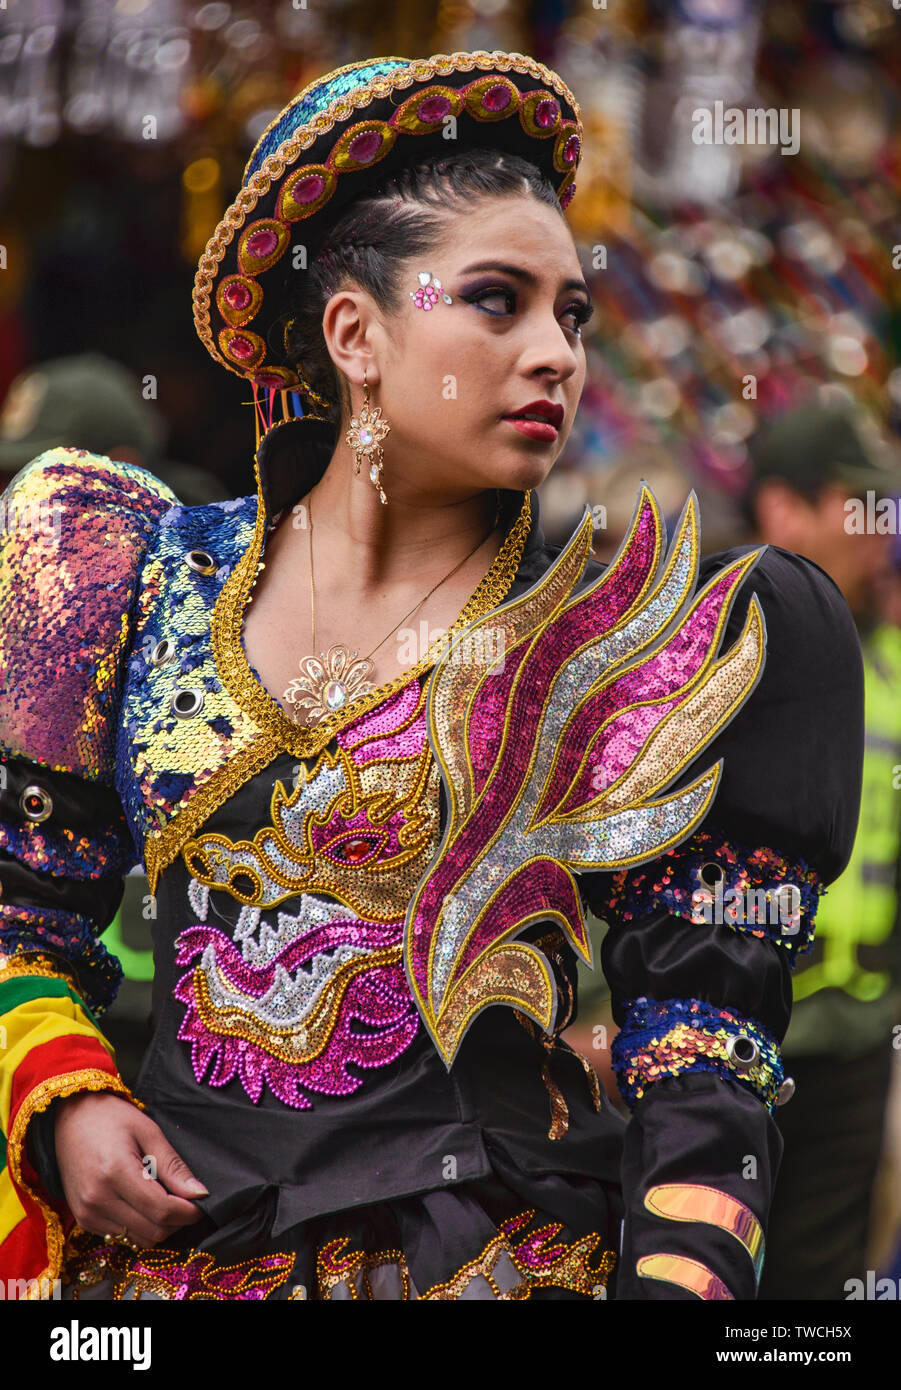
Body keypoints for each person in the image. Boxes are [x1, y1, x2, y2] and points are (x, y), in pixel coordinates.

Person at [0, 51, 863, 1302]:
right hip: (161, 1269)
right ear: (353, 332)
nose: (557, 354)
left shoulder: (634, 631)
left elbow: (704, 1052)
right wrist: (64, 1097)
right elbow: (26, 914)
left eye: (571, 313)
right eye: (498, 301)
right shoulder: (130, 575)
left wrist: (679, 1287)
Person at [740, 401, 901, 1300]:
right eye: (862, 505)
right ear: (783, 512)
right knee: (705, 1268)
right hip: (728, 1033)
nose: (883, 531)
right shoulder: (711, 653)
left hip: (850, 1040)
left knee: (819, 1289)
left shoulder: (888, 661)